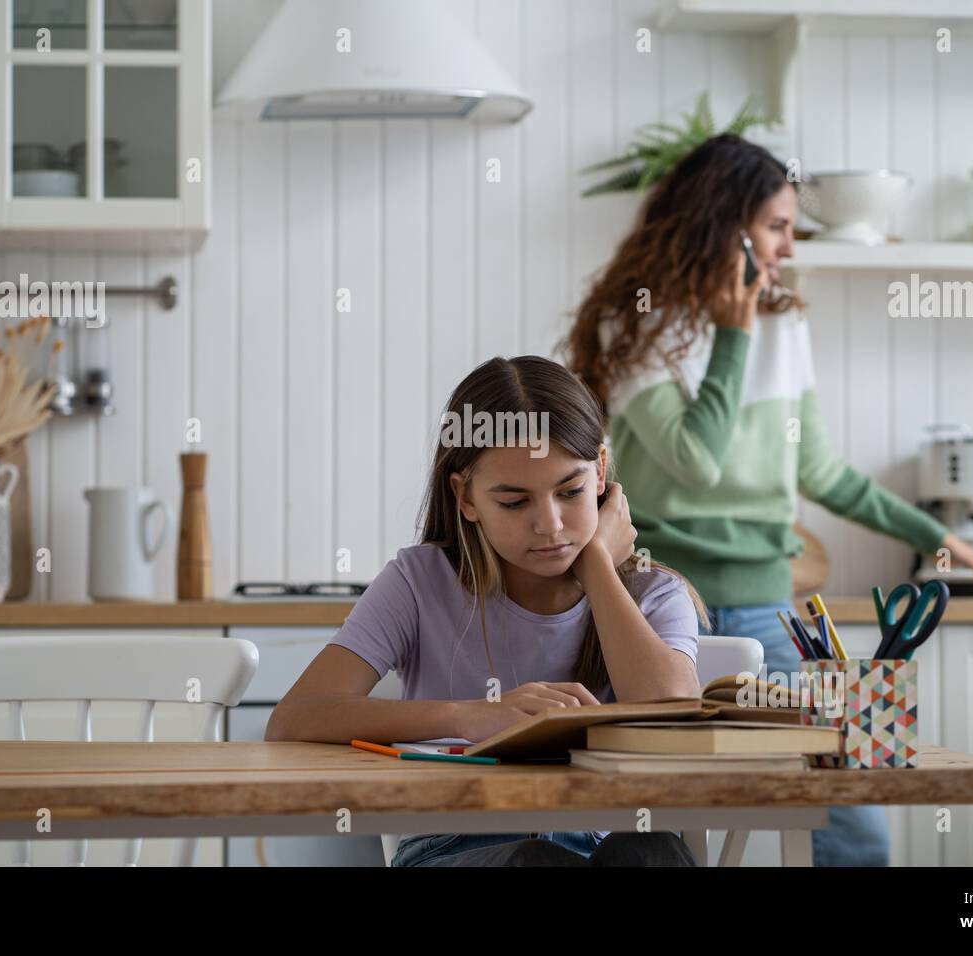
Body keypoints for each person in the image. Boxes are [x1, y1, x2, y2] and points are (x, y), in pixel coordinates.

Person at [562, 133, 973, 867]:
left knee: (853, 819)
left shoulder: (784, 324)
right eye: (777, 226)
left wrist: (939, 538)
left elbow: (822, 472)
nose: (789, 249)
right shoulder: (637, 323)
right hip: (659, 612)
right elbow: (696, 462)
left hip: (771, 615)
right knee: (646, 827)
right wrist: (734, 337)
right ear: (722, 224)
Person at [267, 354, 709, 867]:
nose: (550, 525)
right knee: (536, 863)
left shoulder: (652, 592)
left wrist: (596, 569)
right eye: (515, 502)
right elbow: (295, 717)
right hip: (453, 846)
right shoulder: (418, 583)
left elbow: (670, 715)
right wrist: (468, 715)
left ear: (602, 474)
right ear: (466, 497)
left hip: (603, 843)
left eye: (571, 492)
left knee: (655, 852)